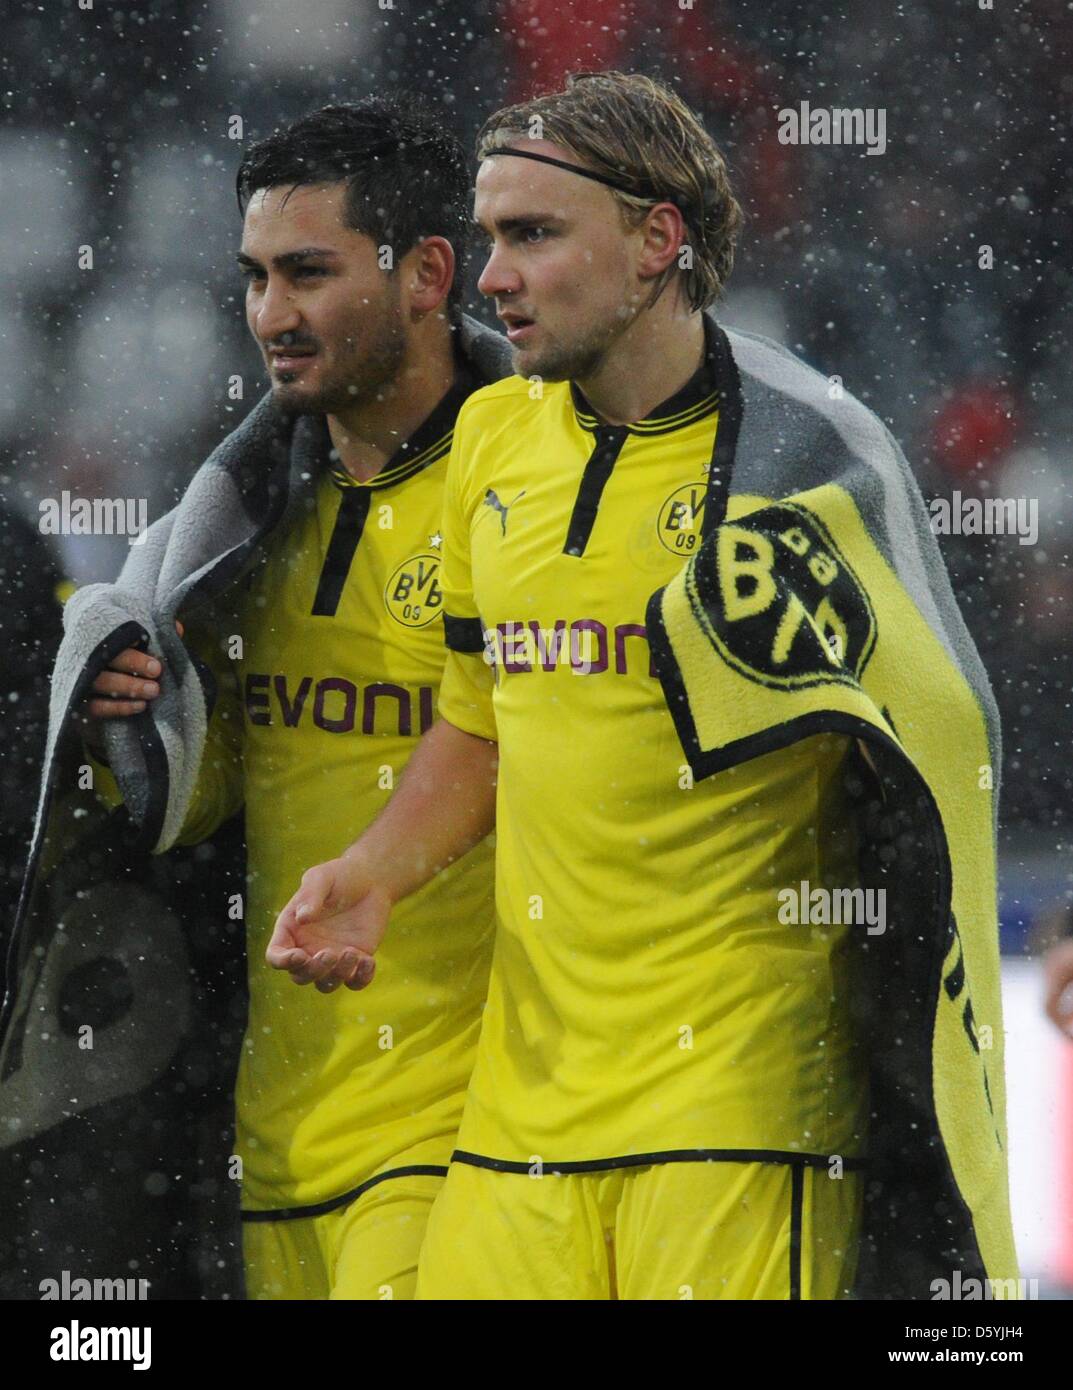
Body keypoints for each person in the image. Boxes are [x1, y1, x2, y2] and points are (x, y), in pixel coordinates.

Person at [268, 73, 871, 1300]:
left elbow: (922, 741)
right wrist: (375, 873)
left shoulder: (801, 459)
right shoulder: (495, 440)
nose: (492, 278)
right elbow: (481, 720)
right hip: (520, 1119)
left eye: (532, 236)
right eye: (487, 238)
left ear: (657, 241)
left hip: (732, 1107)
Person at [77, 97, 508, 1299]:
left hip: (464, 1131)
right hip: (277, 1138)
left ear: (426, 273)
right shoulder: (234, 524)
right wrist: (141, 716)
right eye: (257, 276)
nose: (271, 314)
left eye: (308, 273)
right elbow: (217, 795)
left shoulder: (533, 497)